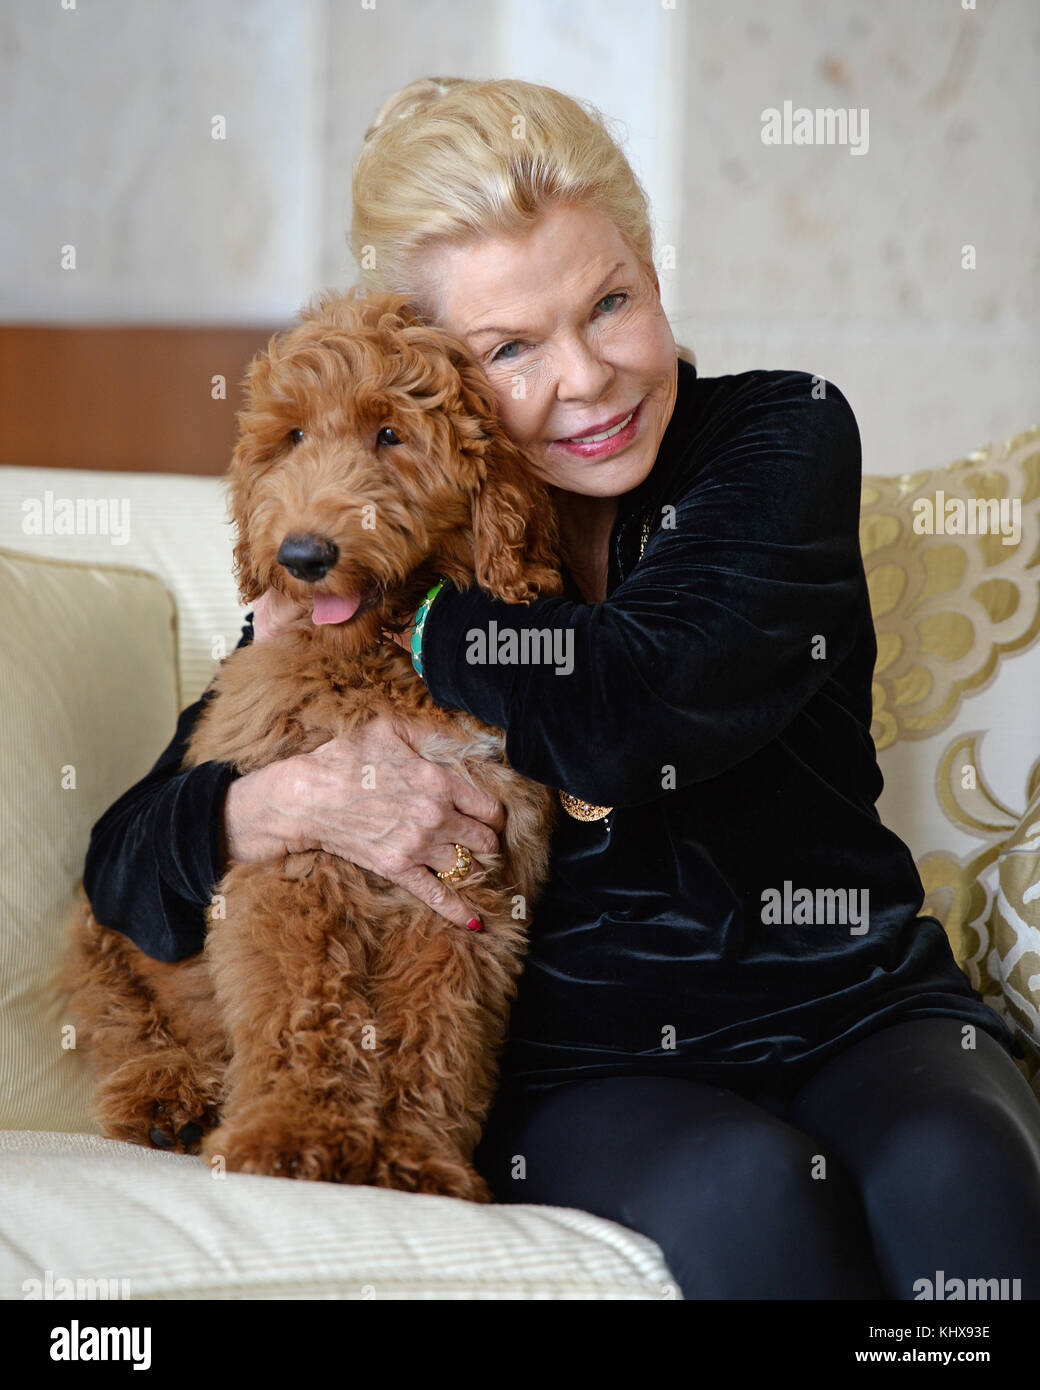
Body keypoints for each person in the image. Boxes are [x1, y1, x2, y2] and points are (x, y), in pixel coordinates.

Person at [83, 77, 1040, 1301]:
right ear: (431, 369)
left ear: (650, 270)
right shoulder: (378, 536)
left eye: (610, 303)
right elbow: (125, 855)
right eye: (510, 348)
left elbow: (631, 710)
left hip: (852, 1004)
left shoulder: (776, 436)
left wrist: (411, 606)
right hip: (587, 1064)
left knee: (954, 1173)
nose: (586, 377)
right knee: (749, 1197)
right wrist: (262, 807)